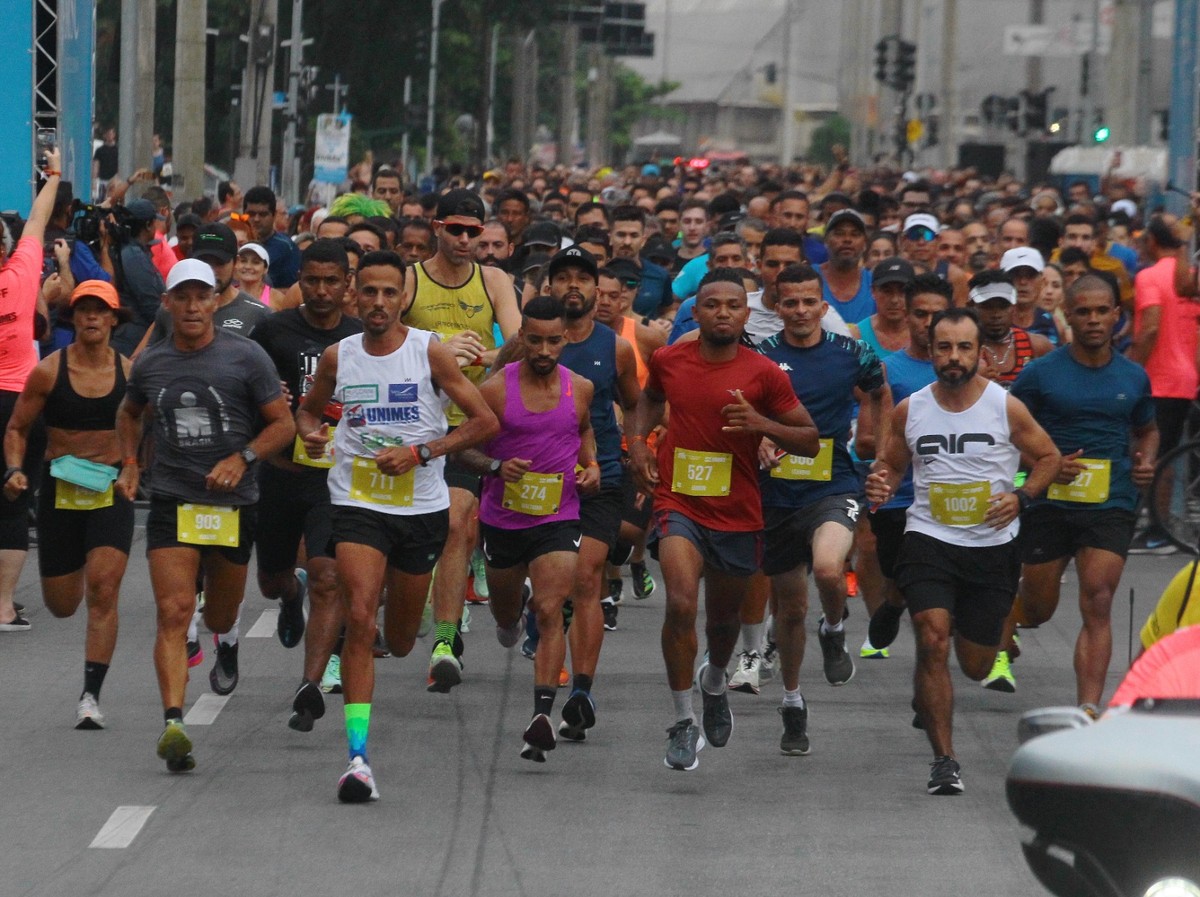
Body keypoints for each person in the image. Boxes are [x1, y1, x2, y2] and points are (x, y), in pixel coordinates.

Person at [295, 249, 497, 802]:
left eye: (389, 292)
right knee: (360, 616)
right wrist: (311, 430)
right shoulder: (337, 356)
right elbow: (309, 410)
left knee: (403, 640)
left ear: (404, 297)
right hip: (357, 501)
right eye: (369, 292)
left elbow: (484, 421)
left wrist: (421, 452)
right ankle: (358, 759)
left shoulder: (428, 351)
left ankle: (411, 621)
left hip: (420, 508)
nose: (379, 302)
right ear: (354, 294)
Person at [629, 268, 819, 772]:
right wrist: (637, 445)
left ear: (746, 314)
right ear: (695, 312)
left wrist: (761, 424)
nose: (722, 313)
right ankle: (682, 719)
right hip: (679, 503)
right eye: (712, 305)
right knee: (680, 602)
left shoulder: (764, 373)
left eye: (733, 306)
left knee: (723, 622)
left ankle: (714, 679)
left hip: (737, 510)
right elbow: (649, 400)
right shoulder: (669, 360)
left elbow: (808, 439)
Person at [865, 307, 1060, 795]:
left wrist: (1021, 497)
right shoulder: (910, 409)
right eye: (945, 347)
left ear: (979, 353)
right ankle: (944, 761)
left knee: (976, 666)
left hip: (990, 547)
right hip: (928, 539)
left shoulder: (1004, 407)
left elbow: (1049, 457)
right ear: (931, 351)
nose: (954, 357)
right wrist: (881, 482)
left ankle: (921, 665)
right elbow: (891, 463)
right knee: (933, 637)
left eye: (964, 347)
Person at [116, 258, 295, 773]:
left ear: (216, 301)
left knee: (217, 616)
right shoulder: (151, 363)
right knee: (174, 611)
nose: (193, 307)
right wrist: (130, 463)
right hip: (173, 499)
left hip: (232, 505)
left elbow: (283, 425)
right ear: (167, 303)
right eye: (183, 297)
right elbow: (129, 412)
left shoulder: (246, 357)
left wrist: (243, 458)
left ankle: (230, 634)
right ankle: (174, 723)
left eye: (202, 296)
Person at [1002, 275, 1157, 710]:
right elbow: (1007, 433)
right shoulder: (1040, 373)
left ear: (1117, 316)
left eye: (1102, 311)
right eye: (1084, 311)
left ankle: (1088, 709)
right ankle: (1010, 616)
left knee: (1099, 598)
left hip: (1112, 501)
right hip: (1050, 502)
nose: (1093, 319)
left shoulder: (1133, 375)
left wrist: (1145, 461)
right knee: (1039, 608)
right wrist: (1044, 465)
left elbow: (1147, 429)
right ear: (1067, 315)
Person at [754, 264, 887, 753]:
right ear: (778, 307)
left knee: (830, 568)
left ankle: (834, 628)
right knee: (790, 610)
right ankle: (792, 703)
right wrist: (760, 440)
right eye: (790, 302)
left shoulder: (851, 352)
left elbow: (880, 391)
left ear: (824, 306)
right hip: (776, 494)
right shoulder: (761, 355)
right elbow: (747, 411)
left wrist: (880, 449)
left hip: (833, 483)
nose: (801, 311)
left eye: (810, 301)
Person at [403, 188, 519, 692]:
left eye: (474, 231)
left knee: (455, 523)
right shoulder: (409, 281)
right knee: (400, 536)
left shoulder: (493, 281)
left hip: (467, 425)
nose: (466, 239)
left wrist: (484, 356)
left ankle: (445, 642)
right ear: (437, 228)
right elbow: (381, 345)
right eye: (456, 229)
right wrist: (438, 351)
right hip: (410, 424)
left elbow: (518, 344)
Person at [3, 281, 134, 726]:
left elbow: (145, 425)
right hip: (61, 494)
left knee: (104, 588)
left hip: (109, 493)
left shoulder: (130, 374)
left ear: (114, 319)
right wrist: (13, 469)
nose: (91, 317)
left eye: (100, 310)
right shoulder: (48, 371)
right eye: (83, 310)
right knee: (62, 604)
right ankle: (71, 571)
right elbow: (17, 428)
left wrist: (133, 467)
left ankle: (90, 696)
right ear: (73, 318)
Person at [475, 295, 598, 760]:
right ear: (521, 338)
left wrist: (591, 467)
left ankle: (541, 715)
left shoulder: (579, 387)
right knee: (508, 615)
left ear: (565, 339)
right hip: (503, 520)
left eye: (553, 341)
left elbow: (583, 430)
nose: (544, 350)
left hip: (558, 516)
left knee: (550, 609)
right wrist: (495, 465)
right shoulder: (494, 389)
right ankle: (511, 614)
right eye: (535, 341)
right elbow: (463, 446)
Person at [249, 239, 364, 731]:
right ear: (300, 281)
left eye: (331, 281)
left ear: (347, 284)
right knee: (272, 579)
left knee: (327, 576)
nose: (321, 290)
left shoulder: (359, 337)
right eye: (311, 280)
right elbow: (245, 388)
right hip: (280, 474)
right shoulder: (272, 330)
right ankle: (287, 597)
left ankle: (309, 685)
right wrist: (266, 396)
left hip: (333, 482)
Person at [865, 275, 954, 654]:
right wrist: (880, 473)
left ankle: (930, 650)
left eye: (937, 315)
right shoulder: (888, 370)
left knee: (931, 590)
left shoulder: (963, 369)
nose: (928, 323)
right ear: (907, 315)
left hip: (950, 495)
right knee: (902, 575)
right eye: (920, 314)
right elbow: (879, 438)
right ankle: (894, 598)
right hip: (900, 497)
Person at [0, 150, 61, 631]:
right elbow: (38, 219)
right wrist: (53, 174)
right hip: (20, 406)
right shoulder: (20, 274)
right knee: (14, 503)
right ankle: (2, 606)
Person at [1129, 218, 1200, 554]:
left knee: (1149, 454)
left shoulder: (1149, 276)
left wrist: (1130, 370)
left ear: (1152, 242)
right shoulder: (1190, 277)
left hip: (1157, 379)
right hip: (1184, 380)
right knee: (1165, 454)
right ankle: (1158, 527)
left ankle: (1157, 530)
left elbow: (1151, 328)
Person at [968, 270, 1053, 388]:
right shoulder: (961, 349)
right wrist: (971, 381)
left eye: (1003, 306)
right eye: (987, 306)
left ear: (1013, 307)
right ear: (971, 307)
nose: (996, 314)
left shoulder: (1037, 346)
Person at [112, 199, 166, 354]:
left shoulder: (132, 250)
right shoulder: (133, 255)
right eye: (154, 222)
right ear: (148, 225)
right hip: (133, 338)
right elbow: (150, 302)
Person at [244, 186, 301, 289]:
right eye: (251, 214)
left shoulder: (286, 248)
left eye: (263, 214)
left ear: (274, 215)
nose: (256, 219)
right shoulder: (234, 242)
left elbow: (293, 289)